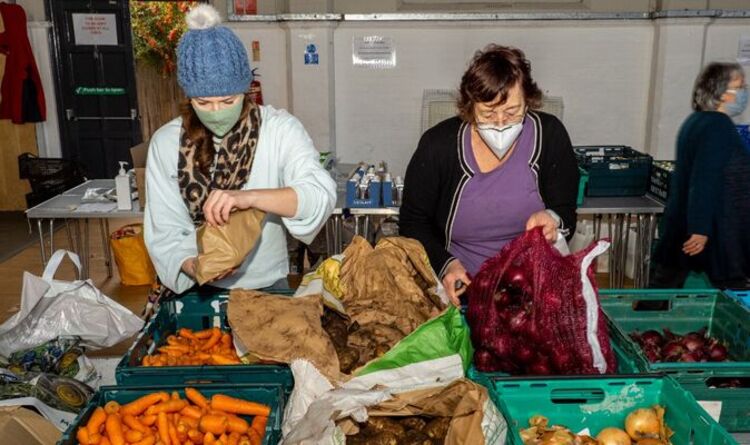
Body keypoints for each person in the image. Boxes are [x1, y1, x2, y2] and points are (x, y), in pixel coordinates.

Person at [144, 5, 336, 294]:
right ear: (188, 98)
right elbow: (165, 227)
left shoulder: (278, 130)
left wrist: (249, 197)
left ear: (246, 90)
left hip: (267, 287)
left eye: (228, 100)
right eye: (203, 103)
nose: (217, 111)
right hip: (195, 287)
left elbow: (318, 195)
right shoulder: (167, 143)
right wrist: (195, 265)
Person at [399, 45, 579, 305]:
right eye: (488, 113)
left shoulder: (549, 136)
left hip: (532, 290)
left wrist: (552, 219)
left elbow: (566, 210)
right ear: (470, 106)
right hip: (461, 288)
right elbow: (413, 222)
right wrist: (445, 266)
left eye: (512, 112)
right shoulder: (438, 146)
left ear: (529, 100)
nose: (501, 123)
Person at [651, 62, 750, 289]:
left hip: (685, 220)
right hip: (715, 226)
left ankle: (642, 322)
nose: (745, 91)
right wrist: (700, 228)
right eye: (740, 86)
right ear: (722, 92)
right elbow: (705, 177)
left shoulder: (695, 121)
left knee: (665, 283)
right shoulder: (718, 125)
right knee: (733, 288)